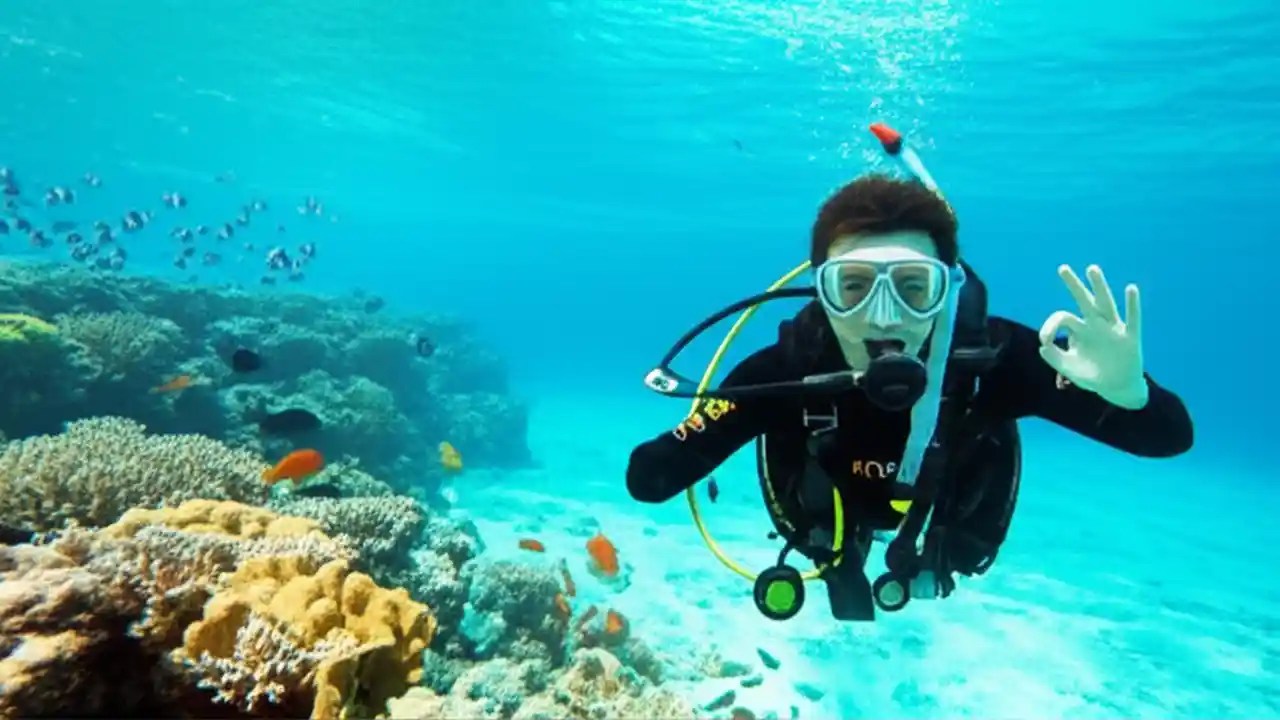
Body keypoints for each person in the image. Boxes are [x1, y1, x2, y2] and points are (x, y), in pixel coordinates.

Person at [626, 126, 1193, 622]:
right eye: (852, 286)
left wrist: (1128, 394)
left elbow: (1168, 437)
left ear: (946, 291)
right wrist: (694, 435)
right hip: (828, 516)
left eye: (913, 286)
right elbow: (648, 479)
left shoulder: (996, 357)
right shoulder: (790, 368)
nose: (883, 314)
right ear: (821, 292)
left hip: (943, 525)